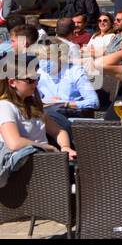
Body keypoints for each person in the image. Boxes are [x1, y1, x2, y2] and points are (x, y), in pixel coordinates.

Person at [1, 53, 76, 184]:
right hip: (25, 173)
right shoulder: (5, 106)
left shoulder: (32, 105)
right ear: (12, 82)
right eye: (30, 80)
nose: (35, 83)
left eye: (37, 78)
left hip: (45, 165)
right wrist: (47, 147)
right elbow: (14, 143)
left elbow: (58, 131)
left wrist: (65, 147)